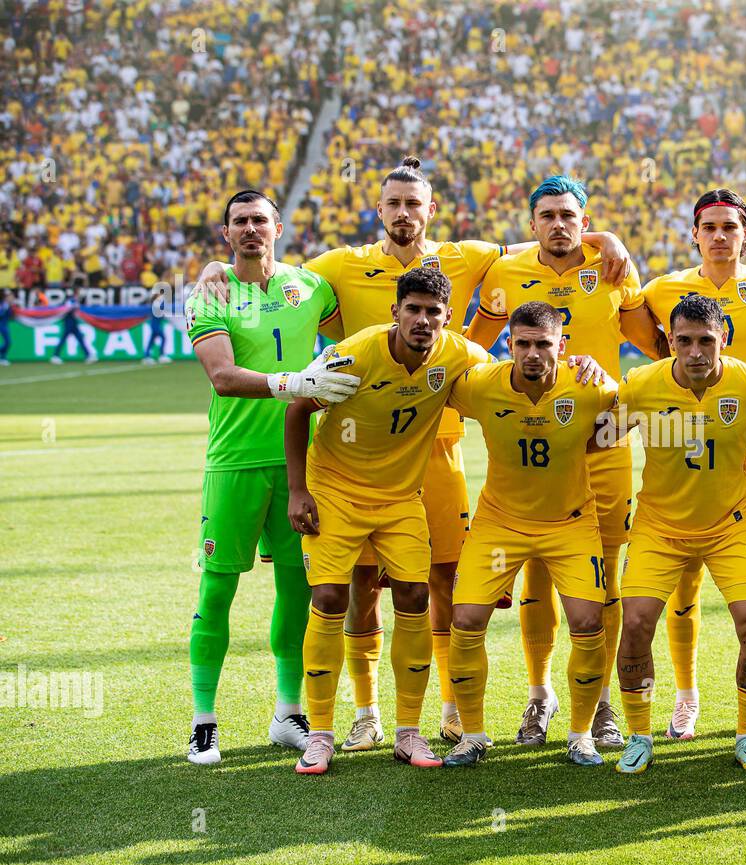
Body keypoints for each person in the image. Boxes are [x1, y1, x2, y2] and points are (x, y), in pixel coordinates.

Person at [195, 157, 632, 752]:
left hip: (437, 443)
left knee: (441, 580)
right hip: (354, 452)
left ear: (431, 211)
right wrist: (218, 267)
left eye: (414, 204)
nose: (404, 213)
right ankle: (365, 712)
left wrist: (604, 237)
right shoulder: (337, 268)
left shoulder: (468, 257)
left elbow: (549, 235)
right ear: (379, 210)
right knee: (357, 583)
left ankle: (451, 709)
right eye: (393, 204)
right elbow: (271, 269)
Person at [466, 175, 667, 750]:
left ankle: (599, 700)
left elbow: (653, 344)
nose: (558, 224)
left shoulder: (612, 269)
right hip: (532, 444)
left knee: (601, 576)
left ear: (585, 220)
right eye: (547, 215)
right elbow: (474, 346)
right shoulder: (505, 273)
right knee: (536, 569)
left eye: (569, 216)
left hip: (602, 442)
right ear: (532, 223)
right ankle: (539, 695)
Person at [283, 267, 492, 775]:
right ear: (394, 312)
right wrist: (297, 489)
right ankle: (322, 734)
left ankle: (408, 731)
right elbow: (296, 410)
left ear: (447, 318)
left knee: (415, 596)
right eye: (413, 310)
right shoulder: (355, 354)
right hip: (335, 489)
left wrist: (577, 365)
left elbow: (507, 377)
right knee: (331, 597)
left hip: (400, 498)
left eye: (433, 312)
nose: (423, 320)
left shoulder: (457, 354)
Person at [184, 190, 360, 766]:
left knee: (298, 589)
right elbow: (224, 377)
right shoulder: (209, 291)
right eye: (241, 222)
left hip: (303, 465)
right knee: (217, 588)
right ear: (226, 233)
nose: (252, 229)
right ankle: (204, 722)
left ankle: (288, 713)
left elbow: (358, 325)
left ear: (278, 227)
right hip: (234, 461)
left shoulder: (311, 287)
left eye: (261, 220)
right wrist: (296, 384)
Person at [611, 294, 746, 774]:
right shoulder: (640, 385)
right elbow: (593, 432)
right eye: (683, 341)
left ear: (723, 337)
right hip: (659, 528)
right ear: (670, 343)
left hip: (731, 526)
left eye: (707, 340)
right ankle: (640, 735)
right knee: (637, 624)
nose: (696, 352)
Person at [639, 188, 746, 741]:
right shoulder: (660, 290)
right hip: (682, 448)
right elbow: (648, 348)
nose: (719, 235)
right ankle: (686, 697)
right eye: (708, 226)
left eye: (729, 227)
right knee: (681, 586)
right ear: (695, 234)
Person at [445, 301, 618, 767]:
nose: (533, 354)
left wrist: (592, 438)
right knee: (464, 620)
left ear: (562, 346)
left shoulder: (589, 386)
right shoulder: (482, 385)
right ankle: (473, 735)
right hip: (500, 522)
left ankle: (580, 735)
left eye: (544, 344)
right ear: (509, 345)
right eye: (523, 344)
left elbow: (630, 411)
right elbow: (426, 386)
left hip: (571, 523)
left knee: (588, 622)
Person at [49, 281, 97, 365]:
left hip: (73, 321)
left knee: (79, 339)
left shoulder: (75, 299)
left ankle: (88, 355)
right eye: (79, 290)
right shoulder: (71, 299)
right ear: (76, 291)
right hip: (69, 321)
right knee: (65, 339)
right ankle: (55, 356)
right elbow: (66, 309)